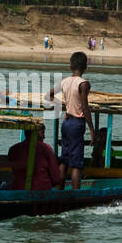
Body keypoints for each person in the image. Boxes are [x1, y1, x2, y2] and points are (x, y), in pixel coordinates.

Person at [46, 51, 98, 189]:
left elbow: (49, 95)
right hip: (76, 124)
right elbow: (85, 107)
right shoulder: (83, 84)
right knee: (76, 163)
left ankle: (59, 191)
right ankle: (75, 195)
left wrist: (65, 107)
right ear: (85, 67)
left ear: (70, 66)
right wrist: (92, 129)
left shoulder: (64, 81)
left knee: (64, 160)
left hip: (67, 123)